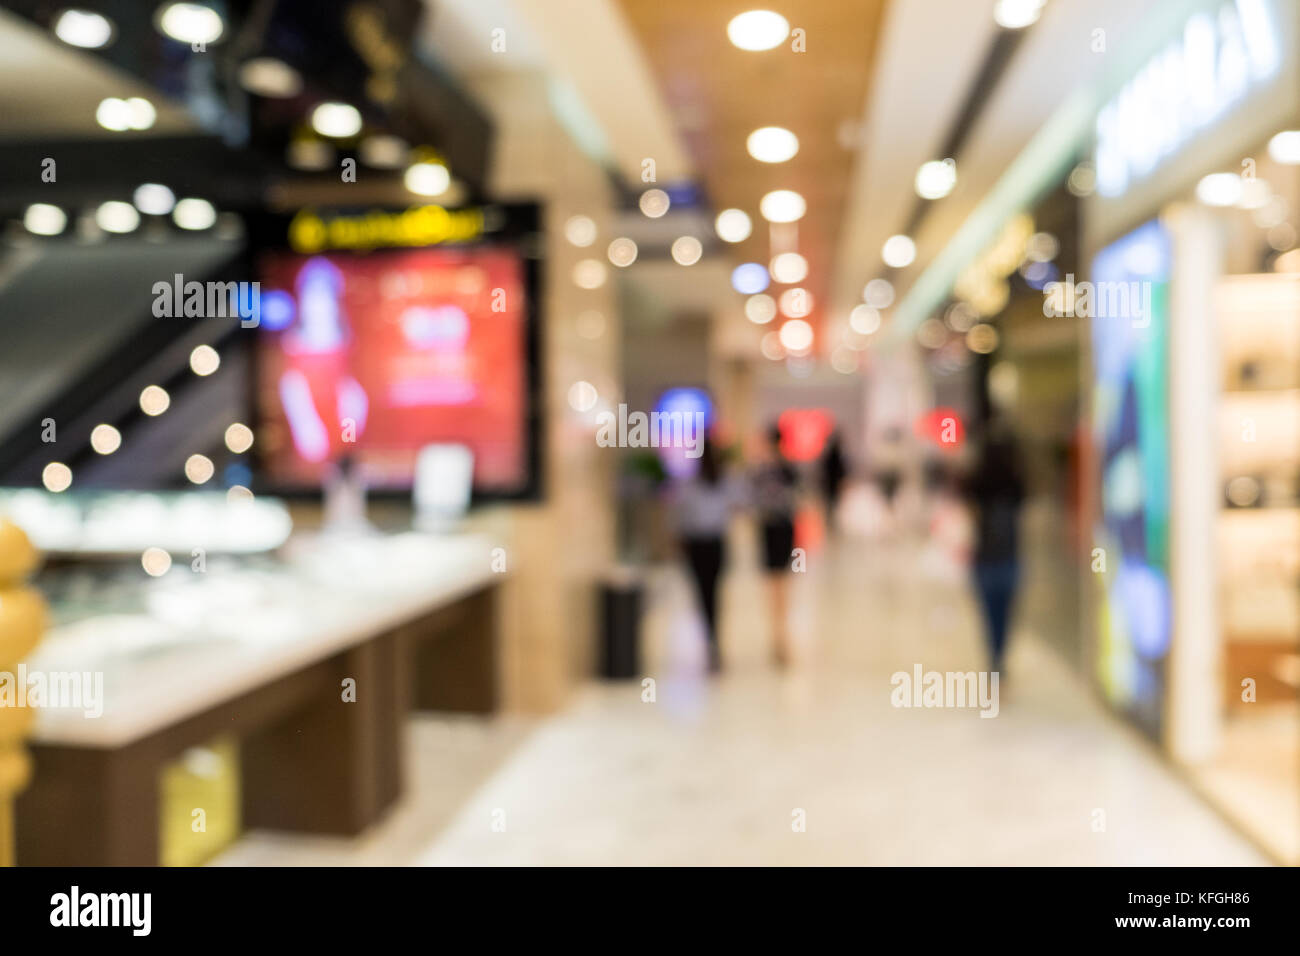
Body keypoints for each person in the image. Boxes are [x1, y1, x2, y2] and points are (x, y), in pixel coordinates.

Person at [668, 439, 743, 673]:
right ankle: (712, 641)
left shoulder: (699, 484)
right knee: (711, 594)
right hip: (709, 544)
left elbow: (679, 518)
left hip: (701, 545)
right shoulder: (716, 483)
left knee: (704, 594)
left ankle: (711, 640)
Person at [966, 422, 1027, 675]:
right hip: (1009, 559)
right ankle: (999, 656)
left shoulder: (977, 482)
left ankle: (995, 657)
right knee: (1005, 614)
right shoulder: (1015, 483)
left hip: (985, 559)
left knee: (990, 615)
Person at [751, 423, 799, 667]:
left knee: (780, 584)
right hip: (772, 529)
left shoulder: (782, 470)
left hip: (780, 528)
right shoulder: (765, 470)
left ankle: (781, 636)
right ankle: (777, 636)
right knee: (774, 584)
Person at [821, 431, 847, 527]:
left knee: (832, 505)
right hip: (831, 484)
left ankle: (832, 523)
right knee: (832, 505)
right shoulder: (834, 455)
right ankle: (831, 523)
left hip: (831, 484)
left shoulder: (831, 455)